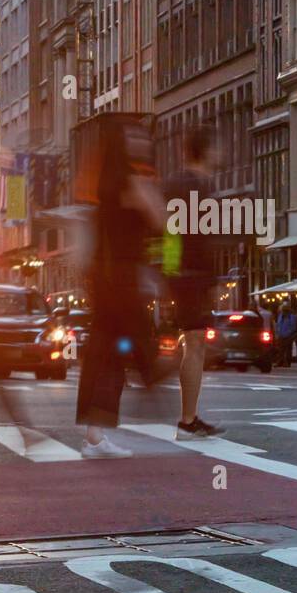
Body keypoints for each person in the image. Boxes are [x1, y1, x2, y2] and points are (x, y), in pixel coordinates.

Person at [75, 119, 169, 457]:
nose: (142, 142)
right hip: (121, 281)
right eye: (135, 137)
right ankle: (151, 369)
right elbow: (160, 219)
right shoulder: (132, 182)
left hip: (106, 281)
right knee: (123, 353)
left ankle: (94, 435)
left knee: (105, 358)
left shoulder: (105, 185)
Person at [162, 126, 225, 440]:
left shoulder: (180, 182)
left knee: (194, 341)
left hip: (183, 274)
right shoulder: (194, 185)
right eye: (216, 147)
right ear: (205, 151)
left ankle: (189, 417)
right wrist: (204, 279)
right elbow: (195, 237)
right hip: (190, 275)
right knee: (195, 343)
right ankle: (187, 419)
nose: (220, 153)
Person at [275, 302, 297, 367]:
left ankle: (288, 362)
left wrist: (288, 334)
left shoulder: (292, 317)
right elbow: (278, 325)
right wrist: (278, 333)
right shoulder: (280, 316)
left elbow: (293, 327)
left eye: (285, 311)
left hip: (288, 336)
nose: (284, 312)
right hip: (281, 335)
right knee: (280, 350)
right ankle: (280, 362)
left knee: (288, 350)